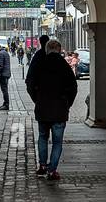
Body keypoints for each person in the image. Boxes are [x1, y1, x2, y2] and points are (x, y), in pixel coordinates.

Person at [26, 38, 78, 180]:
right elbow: (73, 87)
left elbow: (30, 83)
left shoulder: (40, 65)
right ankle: (52, 170)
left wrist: (37, 99)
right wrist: (67, 104)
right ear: (59, 50)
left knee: (42, 137)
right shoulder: (64, 66)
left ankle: (42, 165)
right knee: (57, 141)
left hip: (42, 108)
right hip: (60, 109)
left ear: (47, 50)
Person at [0, 42, 12, 111]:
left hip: (3, 74)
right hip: (7, 73)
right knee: (5, 89)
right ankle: (5, 103)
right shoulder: (5, 52)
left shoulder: (0, 54)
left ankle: (6, 105)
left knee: (4, 90)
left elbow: (0, 66)